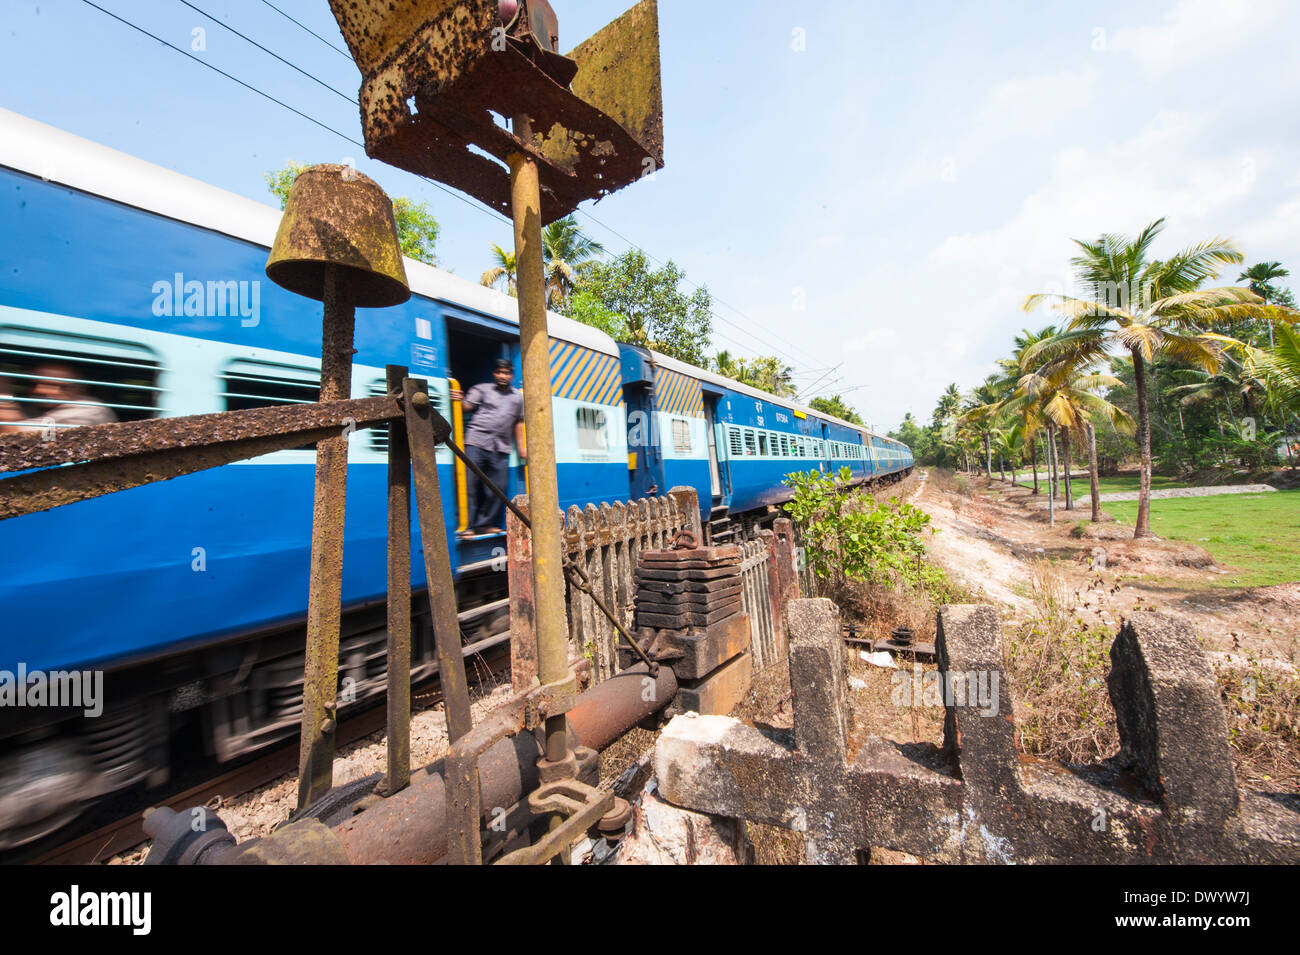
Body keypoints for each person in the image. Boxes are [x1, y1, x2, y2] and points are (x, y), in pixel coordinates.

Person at [451, 358, 525, 537]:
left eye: (506, 373)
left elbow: (519, 422)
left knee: (498, 487)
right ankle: (467, 526)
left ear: (511, 375)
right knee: (469, 485)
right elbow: (467, 406)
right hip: (476, 442)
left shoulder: (518, 398)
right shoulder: (482, 389)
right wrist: (458, 400)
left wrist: (522, 447)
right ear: (494, 374)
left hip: (501, 447)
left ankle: (485, 524)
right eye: (499, 372)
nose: (502, 376)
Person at [0, 361, 117, 434]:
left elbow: (16, 435)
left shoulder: (90, 409)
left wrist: (3, 395)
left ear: (79, 389)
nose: (39, 390)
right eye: (34, 384)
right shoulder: (37, 407)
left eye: (52, 385)